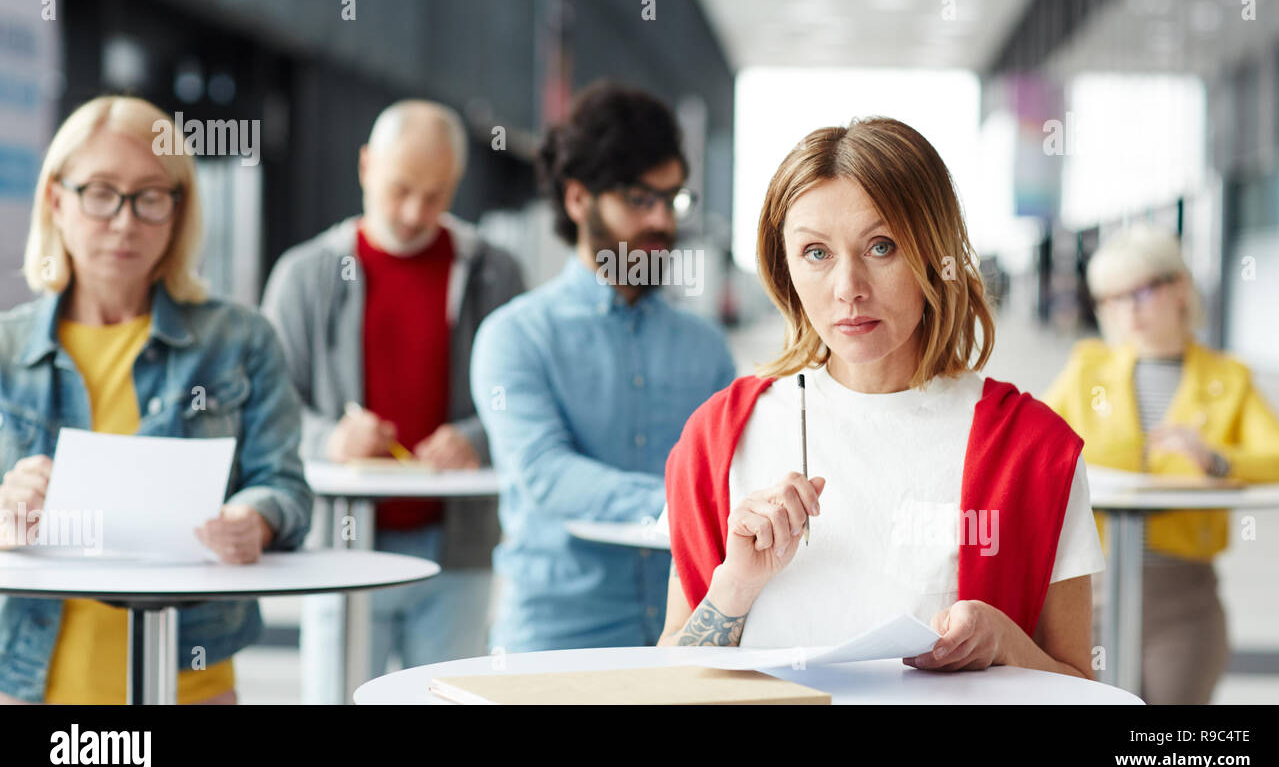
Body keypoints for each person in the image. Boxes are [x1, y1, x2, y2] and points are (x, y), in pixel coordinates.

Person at [658, 117, 1105, 680]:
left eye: (882, 246)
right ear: (784, 266)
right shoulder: (719, 436)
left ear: (935, 256)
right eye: (815, 253)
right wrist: (735, 587)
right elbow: (672, 674)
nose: (848, 287)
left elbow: (1082, 692)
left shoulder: (1032, 449)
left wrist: (1006, 642)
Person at [0, 96, 312, 704]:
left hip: (191, 682)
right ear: (57, 201)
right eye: (101, 192)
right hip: (32, 685)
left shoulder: (239, 339)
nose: (124, 221)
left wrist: (257, 519)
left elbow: (286, 485)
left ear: (177, 211)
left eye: (149, 197)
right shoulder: (4, 348)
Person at [470, 80, 735, 652]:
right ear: (577, 199)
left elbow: (733, 469)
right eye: (641, 199)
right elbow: (545, 473)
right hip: (558, 637)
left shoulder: (705, 346)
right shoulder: (516, 337)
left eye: (673, 199)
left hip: (686, 627)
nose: (662, 221)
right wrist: (681, 504)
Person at [262, 99, 524, 675]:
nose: (414, 211)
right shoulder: (304, 276)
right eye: (400, 188)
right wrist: (331, 440)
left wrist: (474, 440)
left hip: (459, 552)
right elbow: (266, 414)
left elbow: (525, 399)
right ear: (364, 167)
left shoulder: (494, 273)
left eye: (436, 195)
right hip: (344, 546)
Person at [1042, 223, 1279, 703]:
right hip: (1088, 595)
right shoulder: (1087, 370)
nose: (1128, 310)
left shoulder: (1229, 378)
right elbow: (1033, 448)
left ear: (1179, 287)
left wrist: (1217, 460)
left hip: (1182, 599)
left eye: (1141, 290)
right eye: (1112, 298)